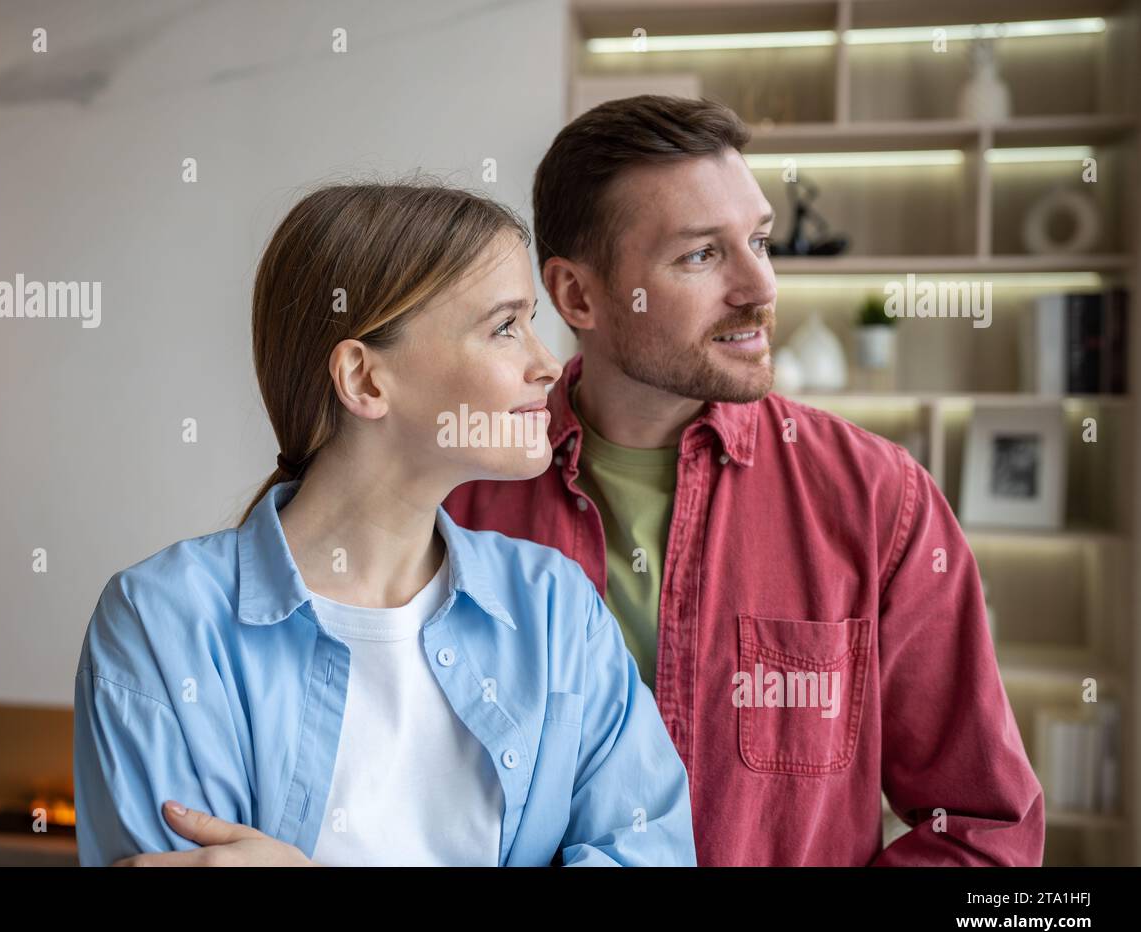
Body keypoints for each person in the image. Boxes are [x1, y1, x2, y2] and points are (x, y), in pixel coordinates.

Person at [443, 95, 1046, 866]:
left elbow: (981, 828)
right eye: (701, 255)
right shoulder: (459, 497)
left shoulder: (879, 500)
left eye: (758, 241)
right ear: (577, 296)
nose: (759, 289)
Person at [72, 180, 697, 866]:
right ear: (365, 380)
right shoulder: (160, 625)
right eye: (504, 327)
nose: (548, 364)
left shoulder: (556, 611)